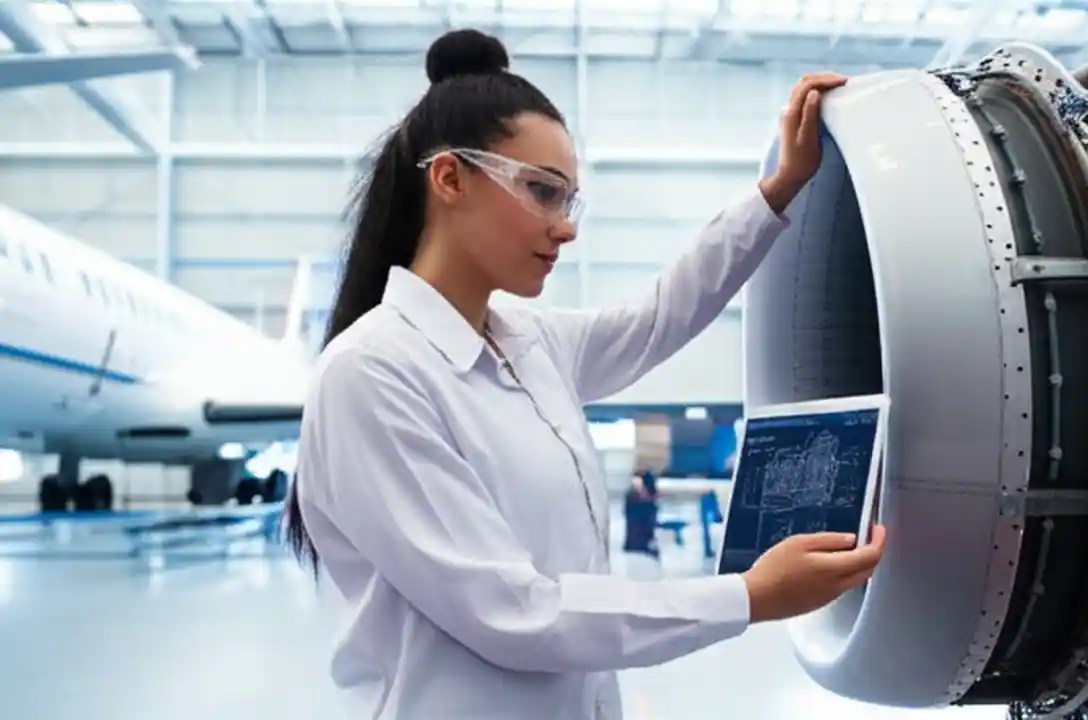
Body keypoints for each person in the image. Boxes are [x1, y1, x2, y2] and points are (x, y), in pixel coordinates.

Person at [283, 27, 887, 720]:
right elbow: (512, 612)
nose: (565, 228)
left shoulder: (532, 343)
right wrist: (747, 596)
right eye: (541, 192)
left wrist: (780, 190)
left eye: (567, 200)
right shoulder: (373, 376)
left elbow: (663, 315)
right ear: (449, 178)